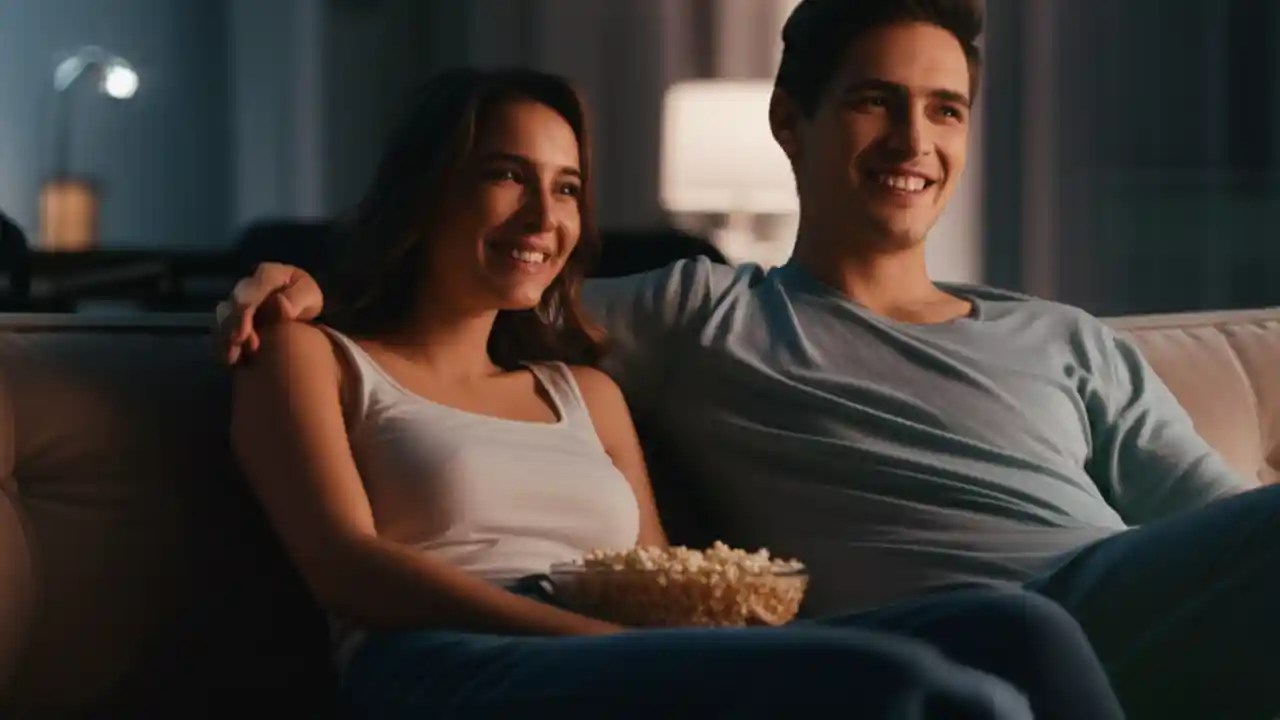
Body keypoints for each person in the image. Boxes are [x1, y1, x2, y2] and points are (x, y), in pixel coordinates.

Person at [223, 1, 1280, 717]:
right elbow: (474, 291)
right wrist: (307, 280)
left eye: (944, 109)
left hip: (1139, 613)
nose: (914, 140)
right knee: (999, 637)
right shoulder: (700, 315)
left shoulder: (1067, 338)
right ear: (791, 121)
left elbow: (1221, 538)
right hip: (969, 626)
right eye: (875, 99)